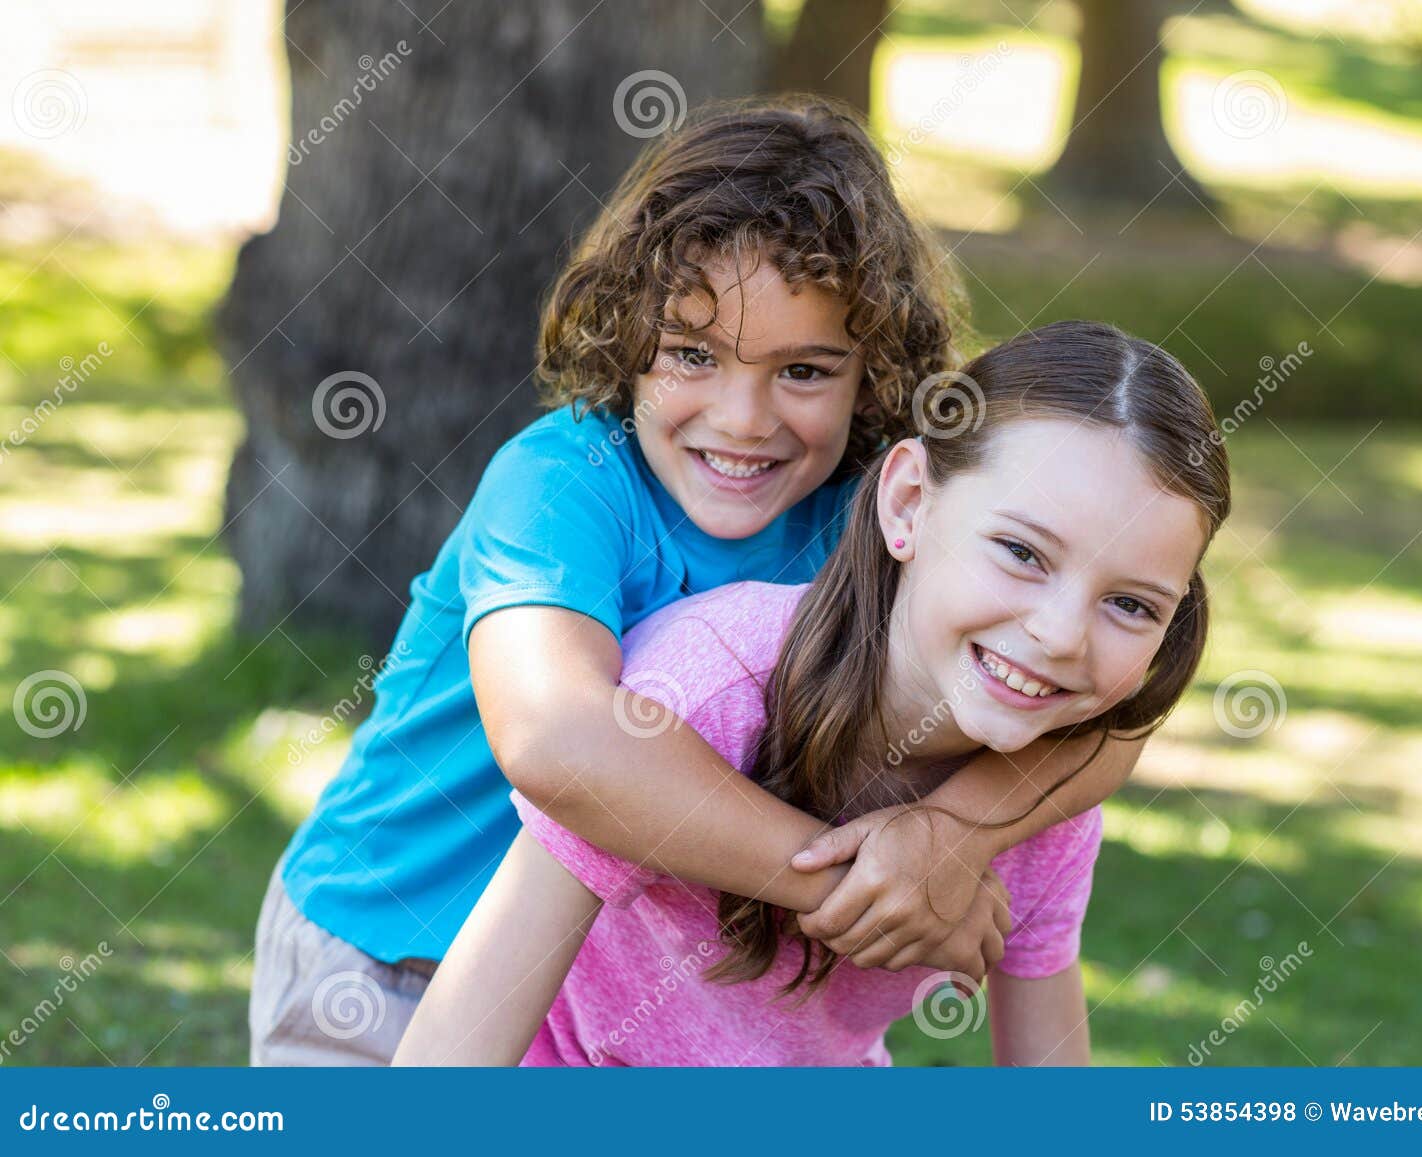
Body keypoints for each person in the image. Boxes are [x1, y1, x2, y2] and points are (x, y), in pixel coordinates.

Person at [251, 101, 1144, 1065]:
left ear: (870, 373)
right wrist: (837, 881)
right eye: (692, 354)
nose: (744, 417)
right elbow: (560, 742)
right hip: (391, 960)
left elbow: (1106, 715)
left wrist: (947, 836)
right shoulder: (564, 482)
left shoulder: (878, 510)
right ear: (629, 339)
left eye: (804, 369)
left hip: (606, 1002)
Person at [394, 319, 1233, 1066]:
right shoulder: (709, 689)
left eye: (1130, 604)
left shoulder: (1043, 797)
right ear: (908, 503)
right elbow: (454, 1053)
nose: (1060, 633)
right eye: (1021, 551)